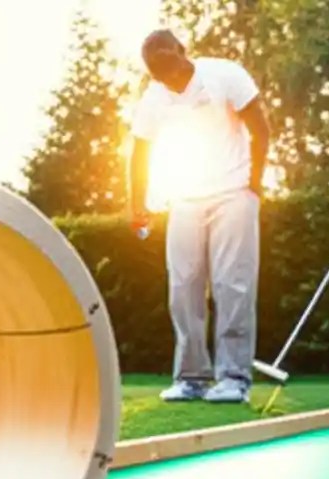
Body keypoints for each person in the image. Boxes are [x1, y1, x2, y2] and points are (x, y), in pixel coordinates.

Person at [127, 29, 270, 404]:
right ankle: (191, 377)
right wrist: (136, 205)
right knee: (183, 285)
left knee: (232, 284)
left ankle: (234, 377)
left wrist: (254, 184)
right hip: (185, 198)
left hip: (234, 193)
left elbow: (260, 126)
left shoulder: (225, 75)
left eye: (168, 61)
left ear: (182, 51)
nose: (166, 73)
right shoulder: (153, 98)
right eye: (156, 69)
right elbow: (139, 153)